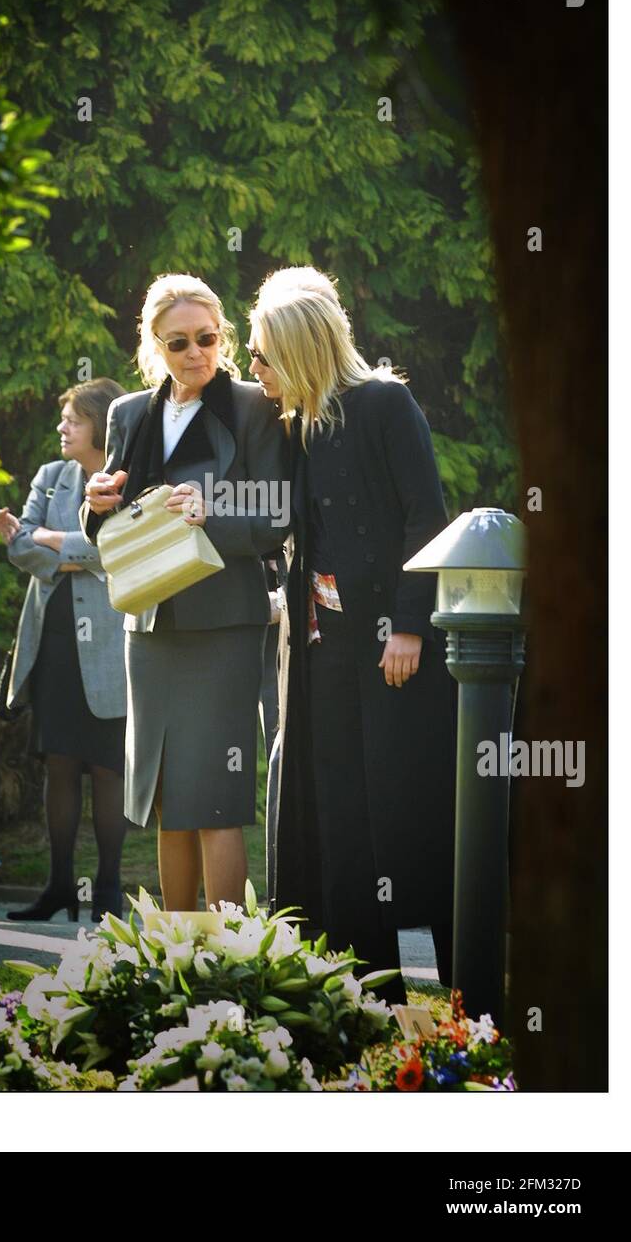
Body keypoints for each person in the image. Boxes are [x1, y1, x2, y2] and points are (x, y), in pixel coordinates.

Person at [248, 266, 457, 1005]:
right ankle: (345, 980)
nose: (253, 369)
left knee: (397, 806)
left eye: (262, 355)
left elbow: (423, 519)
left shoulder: (384, 402)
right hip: (322, 649)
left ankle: (431, 991)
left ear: (300, 350)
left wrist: (407, 627)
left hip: (393, 650)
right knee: (332, 804)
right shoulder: (297, 421)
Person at [82, 273, 289, 913]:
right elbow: (111, 527)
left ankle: (227, 958)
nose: (196, 353)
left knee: (216, 797)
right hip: (148, 626)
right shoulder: (128, 413)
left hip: (224, 625)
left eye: (207, 338)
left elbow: (278, 514)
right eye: (179, 344)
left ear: (222, 336)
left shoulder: (254, 406)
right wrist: (94, 507)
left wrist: (209, 512)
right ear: (155, 346)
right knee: (169, 796)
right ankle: (179, 955)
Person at [4, 377, 130, 923]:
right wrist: (75, 550)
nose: (61, 428)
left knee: (106, 767)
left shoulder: (127, 478)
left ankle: (107, 889)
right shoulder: (51, 477)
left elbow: (121, 550)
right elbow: (18, 544)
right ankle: (58, 886)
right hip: (52, 643)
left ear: (99, 425)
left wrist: (54, 544)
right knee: (59, 764)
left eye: (72, 420)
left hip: (107, 644)